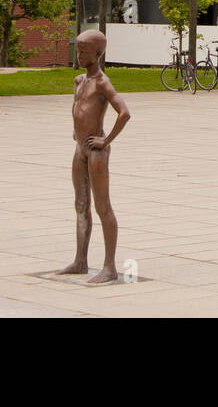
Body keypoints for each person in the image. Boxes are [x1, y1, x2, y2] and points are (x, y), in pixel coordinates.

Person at [59, 29, 131, 283]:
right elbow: (80, 110)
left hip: (96, 152)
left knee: (102, 206)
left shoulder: (102, 82)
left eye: (84, 52)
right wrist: (77, 133)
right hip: (80, 148)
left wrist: (106, 140)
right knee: (80, 205)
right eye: (77, 50)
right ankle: (80, 260)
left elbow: (124, 112)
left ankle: (109, 266)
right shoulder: (79, 81)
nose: (79, 56)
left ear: (98, 54)